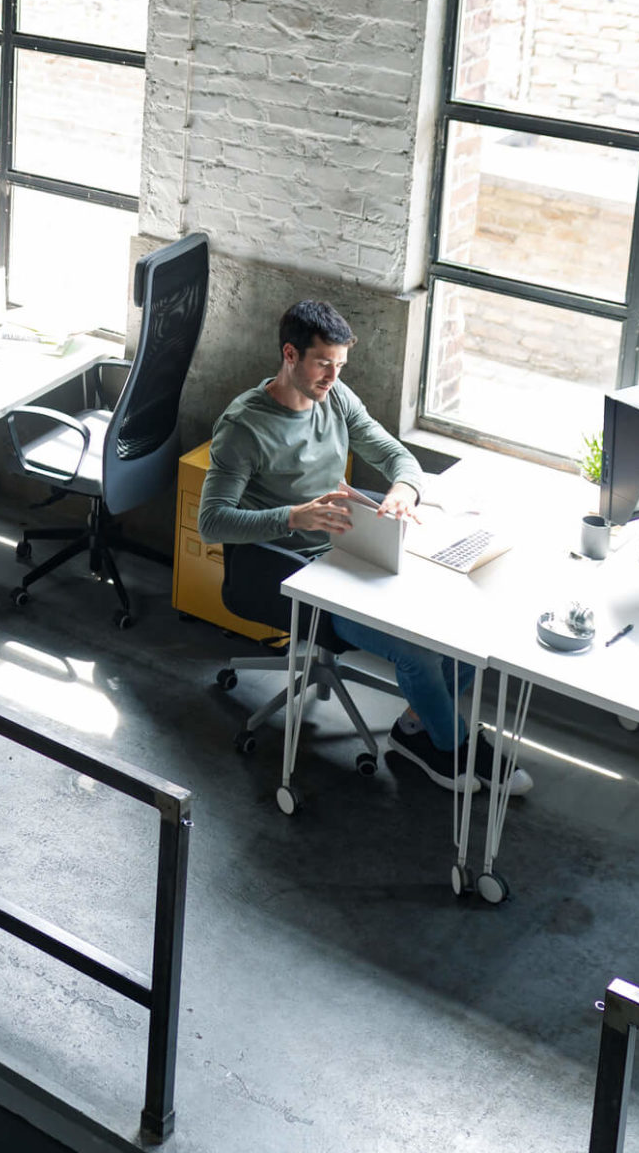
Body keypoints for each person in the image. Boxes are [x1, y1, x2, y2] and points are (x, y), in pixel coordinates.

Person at [199, 299, 532, 795]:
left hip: (353, 549)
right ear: (290, 354)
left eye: (340, 365)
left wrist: (403, 490)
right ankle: (453, 746)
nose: (332, 376)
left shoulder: (335, 396)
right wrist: (294, 516)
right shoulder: (244, 428)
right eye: (322, 363)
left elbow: (397, 455)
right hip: (294, 573)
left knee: (459, 622)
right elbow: (212, 522)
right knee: (415, 652)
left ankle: (418, 728)